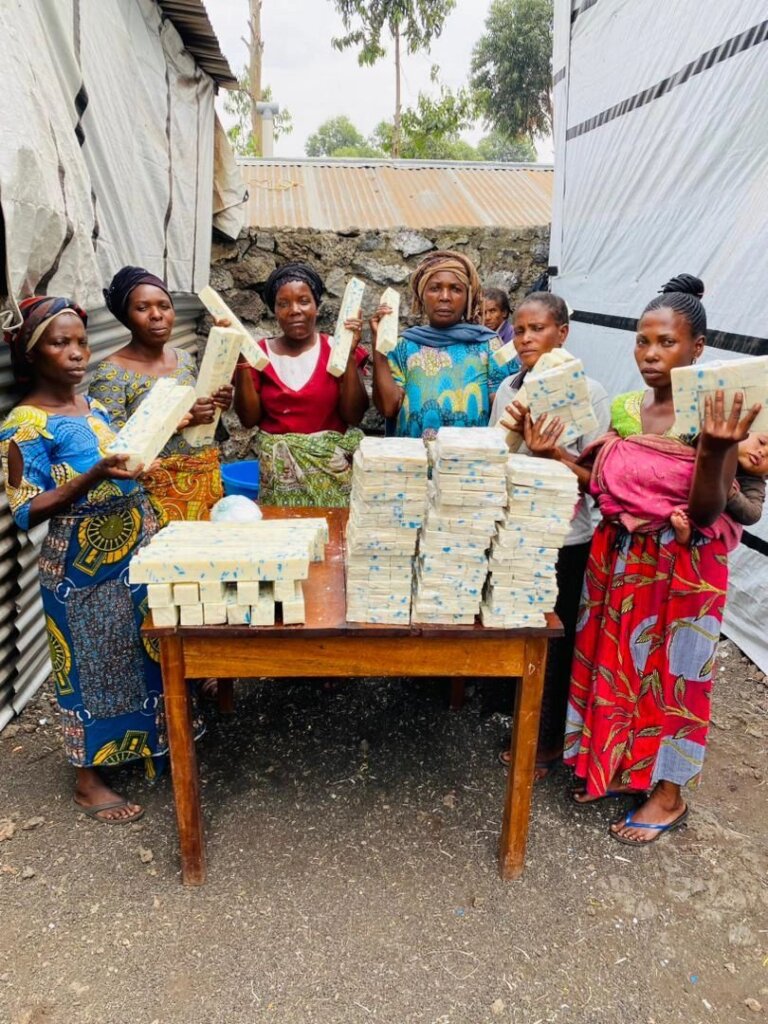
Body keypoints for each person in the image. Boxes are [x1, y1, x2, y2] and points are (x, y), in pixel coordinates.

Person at [564, 275, 760, 845]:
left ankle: (669, 794)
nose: (651, 354)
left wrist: (718, 449)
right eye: (642, 341)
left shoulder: (723, 417)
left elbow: (704, 513)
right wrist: (557, 453)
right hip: (620, 557)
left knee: (674, 676)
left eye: (666, 343)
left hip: (686, 568)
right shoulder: (627, 409)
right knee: (616, 663)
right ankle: (617, 767)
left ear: (697, 348)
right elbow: (602, 478)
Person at [0, 297, 171, 823]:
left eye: (80, 341)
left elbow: (116, 465)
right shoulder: (23, 424)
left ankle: (143, 748)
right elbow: (27, 509)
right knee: (89, 667)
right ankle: (86, 780)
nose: (76, 353)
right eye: (59, 343)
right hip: (80, 564)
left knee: (138, 654)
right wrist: (95, 475)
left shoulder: (91, 408)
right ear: (32, 355)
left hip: (131, 553)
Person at [488, 292, 610, 777]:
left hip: (567, 538)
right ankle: (522, 720)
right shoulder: (508, 390)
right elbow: (496, 456)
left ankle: (547, 741)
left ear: (563, 333)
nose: (526, 339)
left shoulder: (589, 393)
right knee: (517, 631)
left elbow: (596, 474)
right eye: (519, 330)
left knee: (555, 643)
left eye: (538, 329)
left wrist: (550, 453)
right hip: (515, 531)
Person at [89, 266, 233, 523]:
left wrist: (214, 404)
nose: (156, 315)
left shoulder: (183, 359)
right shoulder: (111, 373)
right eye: (142, 308)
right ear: (126, 316)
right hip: (150, 494)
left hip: (202, 485)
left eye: (164, 306)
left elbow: (199, 414)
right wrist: (177, 421)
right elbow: (112, 448)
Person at [233, 262, 368, 506]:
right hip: (278, 487)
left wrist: (348, 355)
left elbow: (354, 415)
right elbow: (248, 420)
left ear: (316, 306)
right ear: (274, 310)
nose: (294, 310)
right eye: (283, 304)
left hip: (333, 483)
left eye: (304, 301)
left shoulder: (335, 350)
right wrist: (243, 362)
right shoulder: (259, 355)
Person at [371, 251, 519, 438]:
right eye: (435, 288)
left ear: (468, 298)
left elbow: (504, 408)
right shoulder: (404, 346)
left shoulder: (488, 345)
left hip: (469, 460)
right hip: (413, 459)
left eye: (456, 289)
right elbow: (388, 407)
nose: (445, 297)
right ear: (421, 295)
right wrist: (379, 347)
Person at [671, 429, 767, 541]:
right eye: (762, 442)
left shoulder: (754, 481)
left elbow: (752, 514)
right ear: (744, 434)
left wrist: (727, 489)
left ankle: (686, 536)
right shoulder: (719, 441)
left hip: (702, 519)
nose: (763, 452)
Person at [482, 286, 517, 361]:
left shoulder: (514, 335)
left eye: (492, 311)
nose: (487, 317)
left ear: (504, 312)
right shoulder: (481, 336)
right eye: (483, 313)